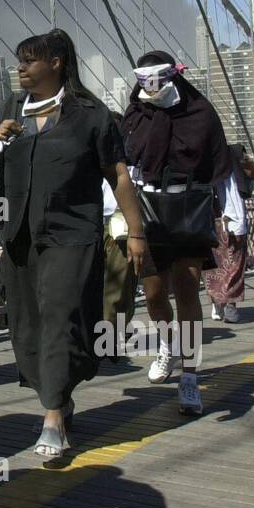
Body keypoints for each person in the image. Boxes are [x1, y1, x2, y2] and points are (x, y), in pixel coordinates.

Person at [0, 31, 146, 455]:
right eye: (18, 61)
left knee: (60, 316)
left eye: (29, 61)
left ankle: (54, 415)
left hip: (72, 234)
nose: (19, 68)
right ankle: (58, 393)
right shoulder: (11, 110)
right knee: (27, 324)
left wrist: (135, 232)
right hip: (19, 235)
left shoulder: (91, 114)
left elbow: (118, 176)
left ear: (57, 62)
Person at [121, 50, 245, 416]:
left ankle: (190, 376)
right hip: (149, 211)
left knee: (188, 287)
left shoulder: (201, 113)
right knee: (155, 294)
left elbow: (220, 168)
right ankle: (166, 343)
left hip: (190, 208)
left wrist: (232, 217)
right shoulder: (135, 114)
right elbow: (123, 168)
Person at [205, 142, 254, 323]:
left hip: (224, 220)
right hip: (214, 219)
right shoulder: (210, 160)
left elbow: (253, 174)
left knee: (231, 263)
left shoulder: (230, 158)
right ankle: (221, 302)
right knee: (216, 265)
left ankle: (228, 304)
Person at [100, 113, 138, 356]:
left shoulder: (129, 161)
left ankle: (108, 337)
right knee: (109, 284)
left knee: (118, 285)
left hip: (118, 223)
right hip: (98, 222)